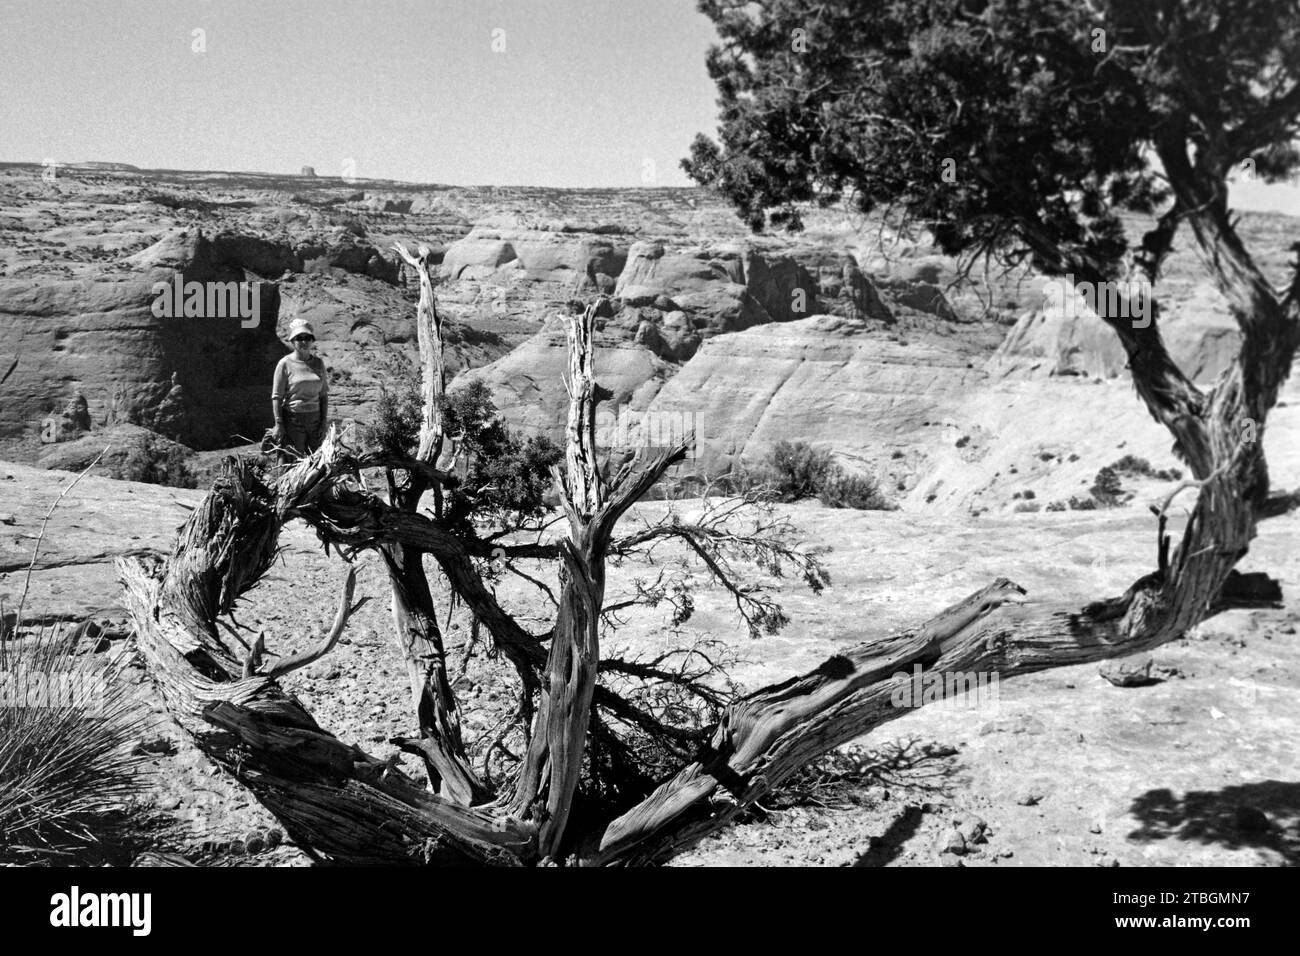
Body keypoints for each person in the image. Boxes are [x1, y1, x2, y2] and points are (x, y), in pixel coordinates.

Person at [271, 318, 329, 462]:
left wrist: (323, 422)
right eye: (299, 338)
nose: (304, 341)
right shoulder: (284, 364)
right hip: (293, 420)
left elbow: (323, 395)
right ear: (293, 341)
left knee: (315, 463)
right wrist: (279, 424)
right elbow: (277, 397)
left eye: (307, 338)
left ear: (312, 340)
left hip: (315, 421)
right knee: (292, 462)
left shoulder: (318, 363)